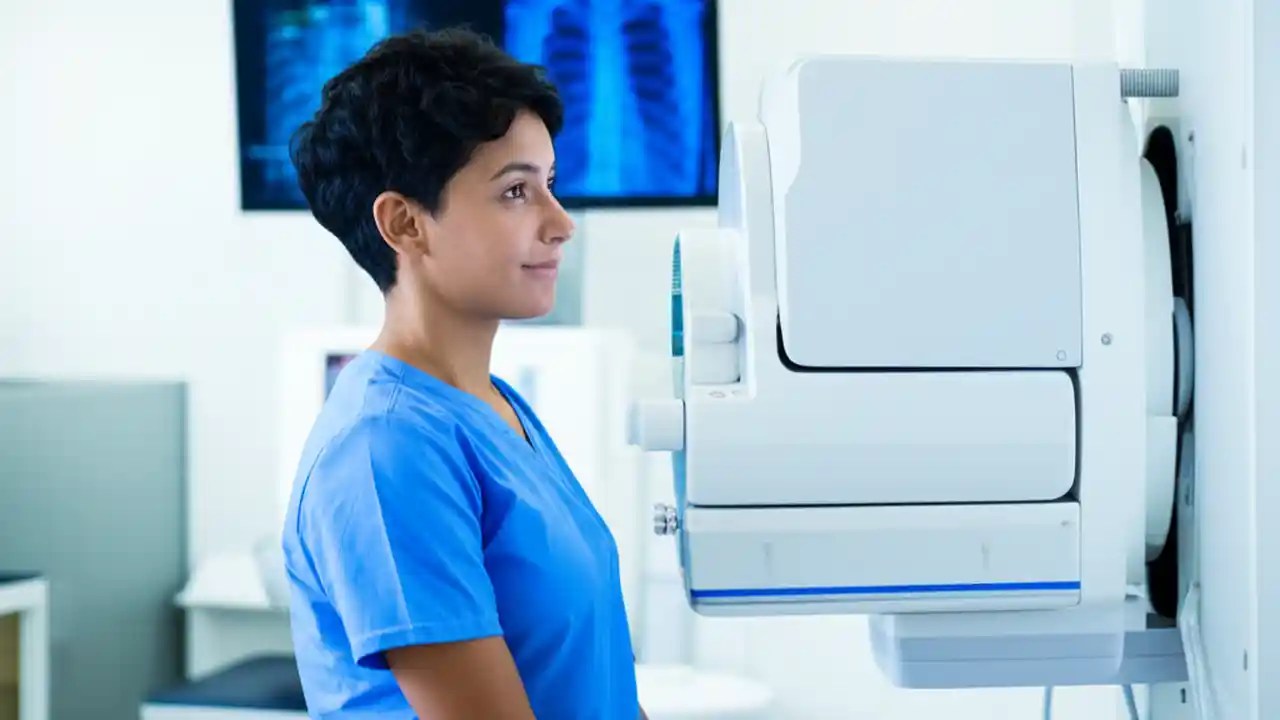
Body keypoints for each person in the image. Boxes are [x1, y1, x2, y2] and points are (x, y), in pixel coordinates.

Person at [281, 27, 645, 719]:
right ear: (405, 224)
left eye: (551, 185)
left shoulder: (492, 406)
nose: (561, 222)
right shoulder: (384, 448)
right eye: (515, 192)